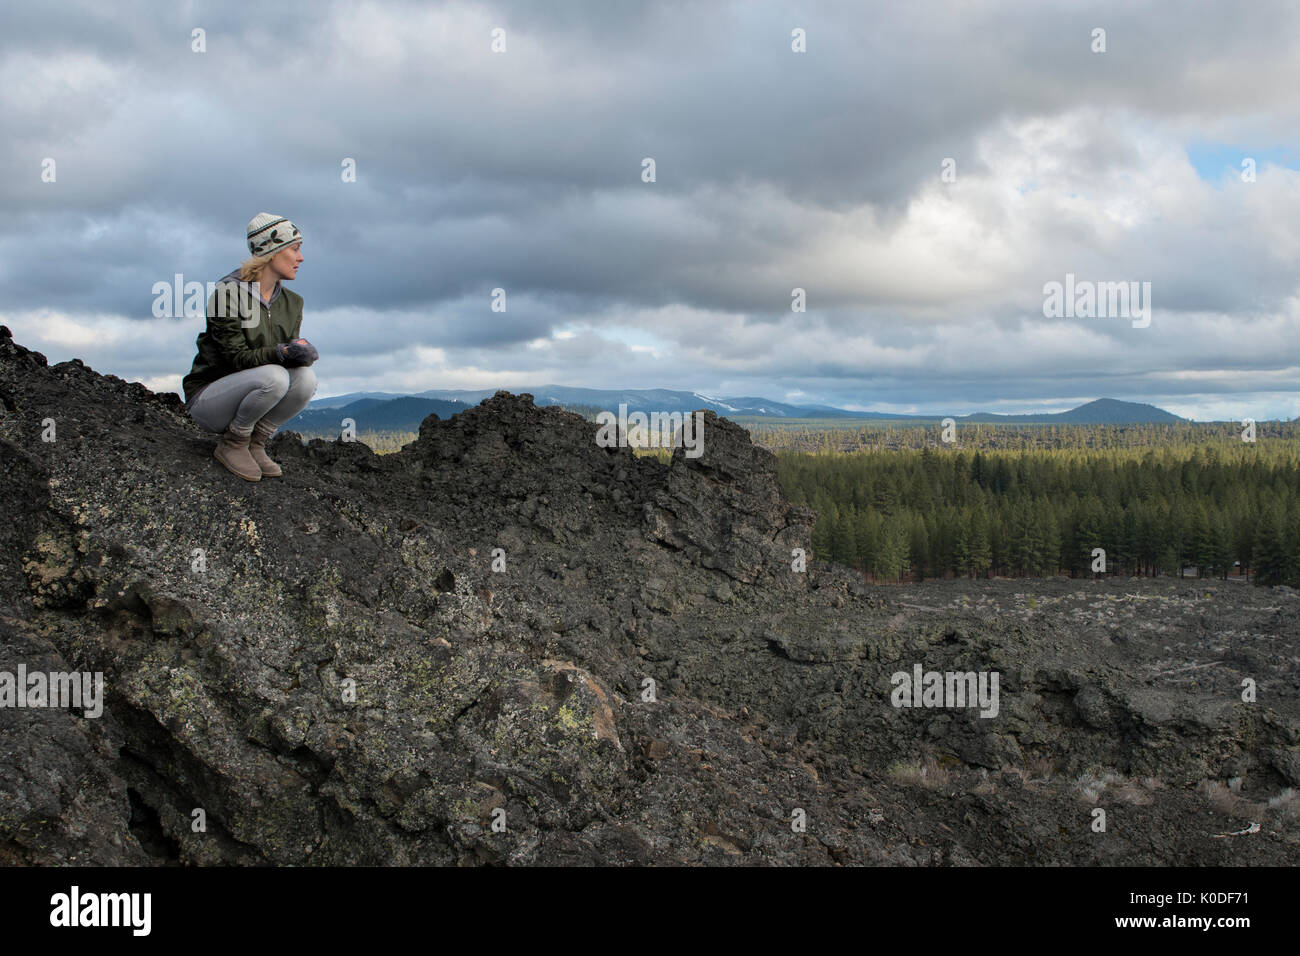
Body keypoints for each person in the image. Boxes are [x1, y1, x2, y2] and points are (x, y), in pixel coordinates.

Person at [182, 213, 320, 481]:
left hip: (255, 395)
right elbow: (234, 359)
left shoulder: (293, 303)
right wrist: (281, 353)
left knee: (305, 378)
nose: (301, 258)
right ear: (271, 251)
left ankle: (255, 443)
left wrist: (299, 354)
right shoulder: (227, 294)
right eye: (295, 249)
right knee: (275, 375)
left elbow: (285, 358)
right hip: (209, 400)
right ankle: (233, 443)